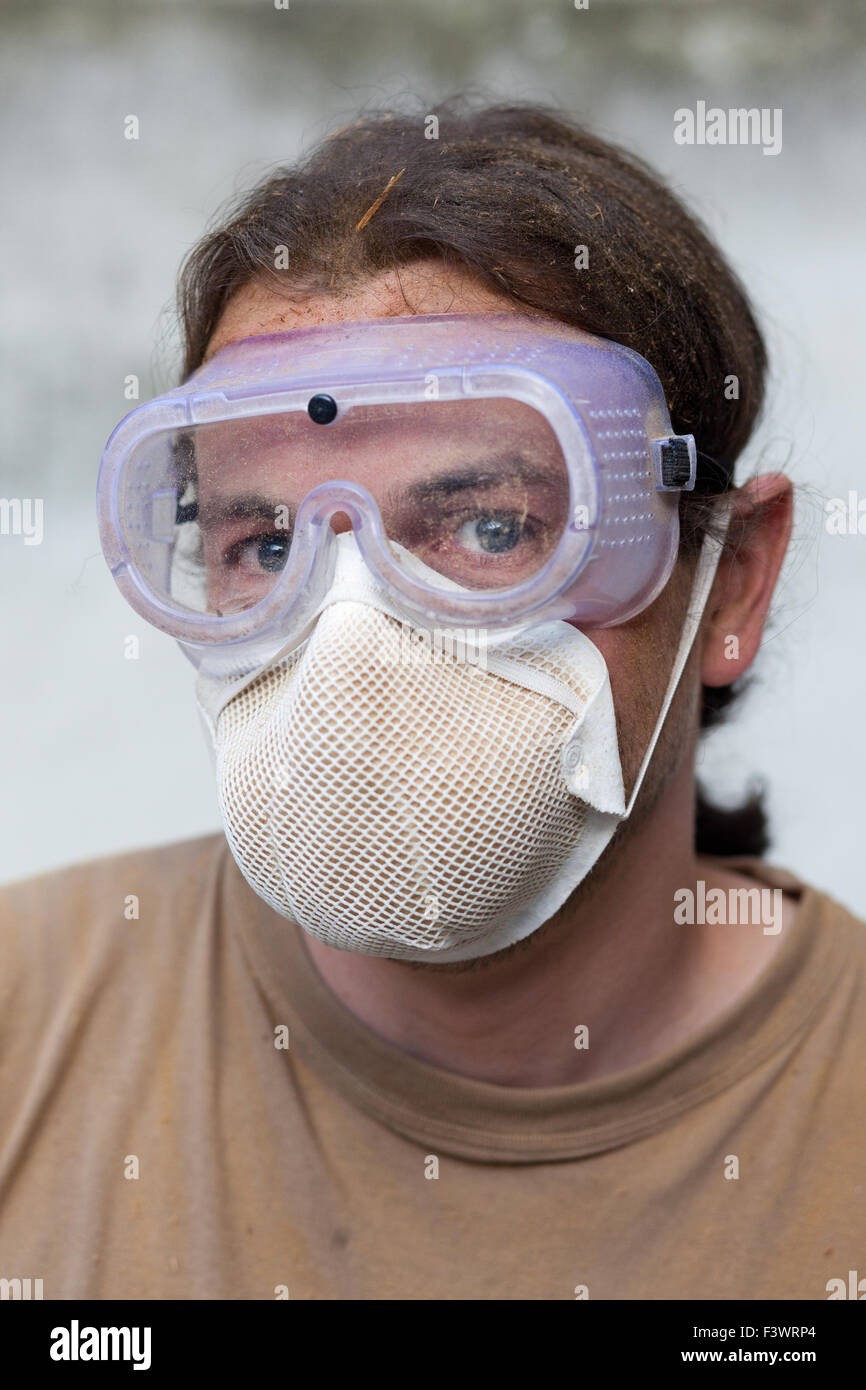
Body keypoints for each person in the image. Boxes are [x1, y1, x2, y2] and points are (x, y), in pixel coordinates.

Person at [1, 101, 863, 1302]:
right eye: (263, 541)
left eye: (489, 526)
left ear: (732, 579)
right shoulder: (24, 1020)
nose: (349, 635)